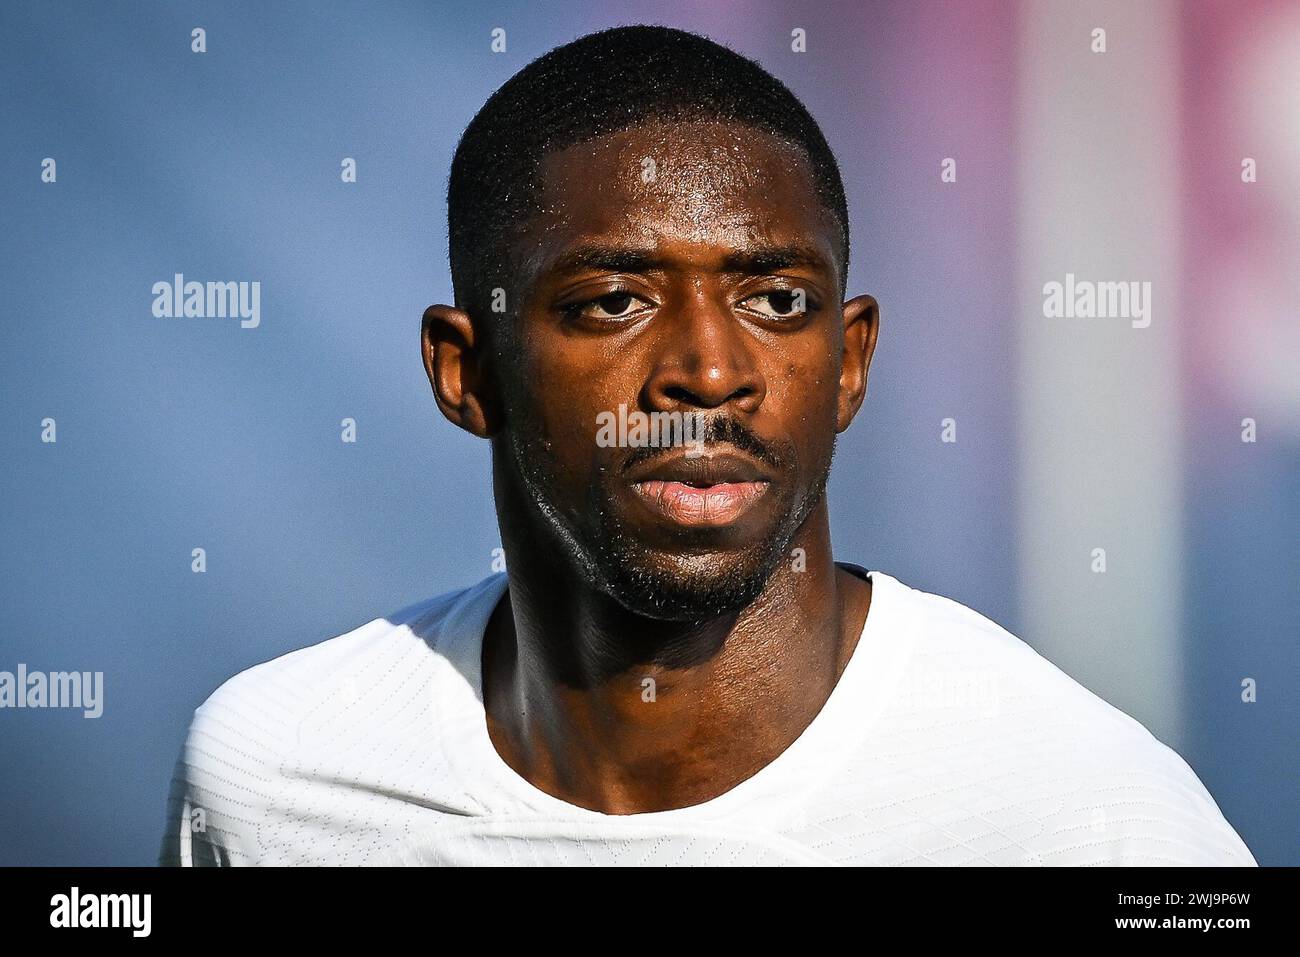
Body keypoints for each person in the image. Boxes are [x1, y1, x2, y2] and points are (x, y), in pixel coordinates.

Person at [160, 24, 1255, 866]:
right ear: (467, 371)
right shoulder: (279, 775)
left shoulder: (1087, 820)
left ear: (851, 362)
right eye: (612, 300)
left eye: (777, 300)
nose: (710, 371)